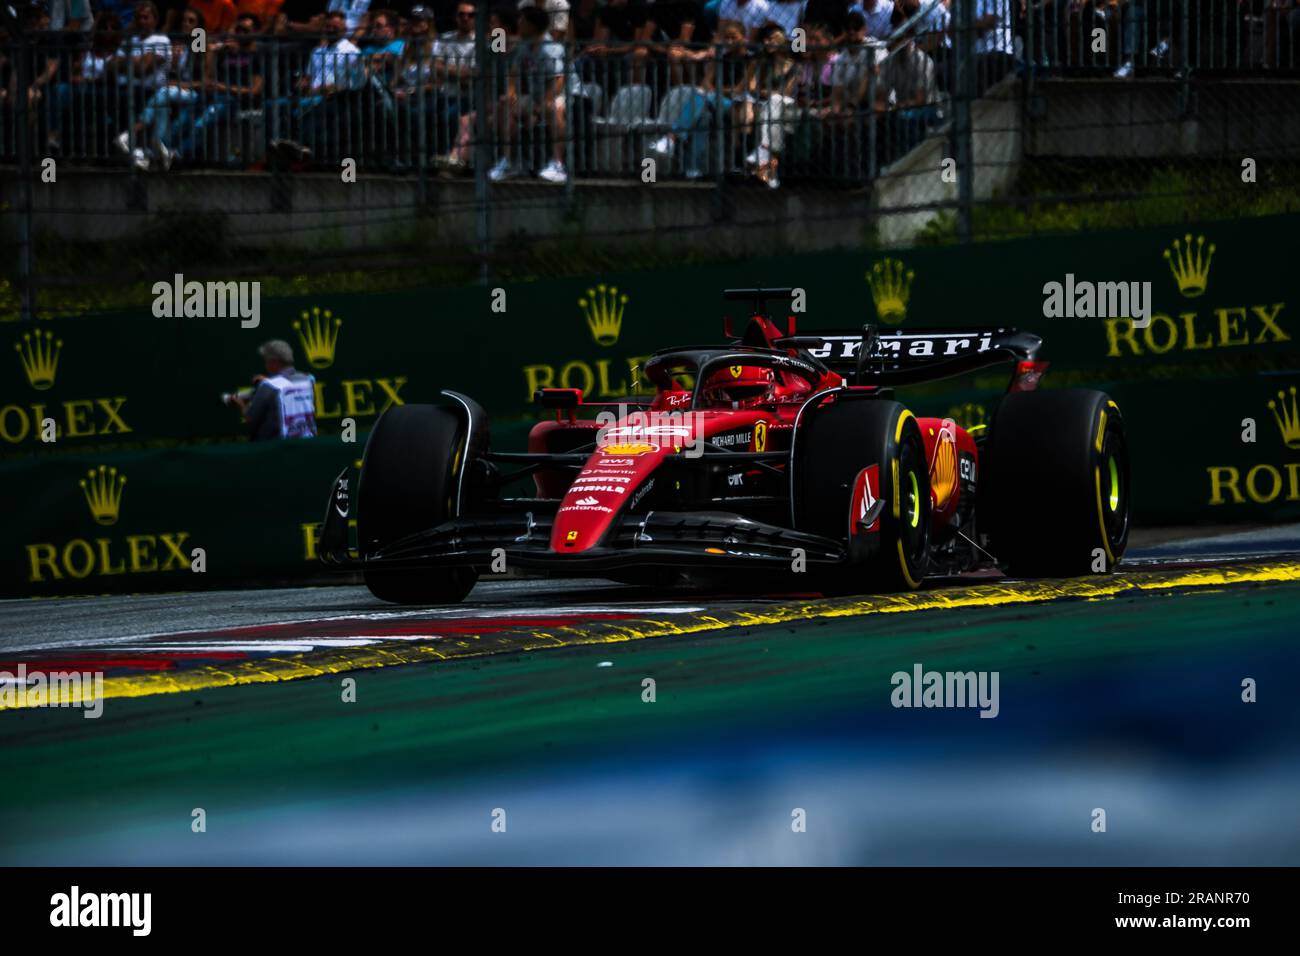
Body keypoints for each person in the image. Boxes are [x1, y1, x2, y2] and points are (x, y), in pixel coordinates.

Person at [227, 340, 318, 440]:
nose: (266, 365)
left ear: (274, 362)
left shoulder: (268, 385)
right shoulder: (308, 379)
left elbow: (250, 418)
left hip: (278, 449)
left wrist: (241, 404)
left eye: (266, 361)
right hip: (308, 442)